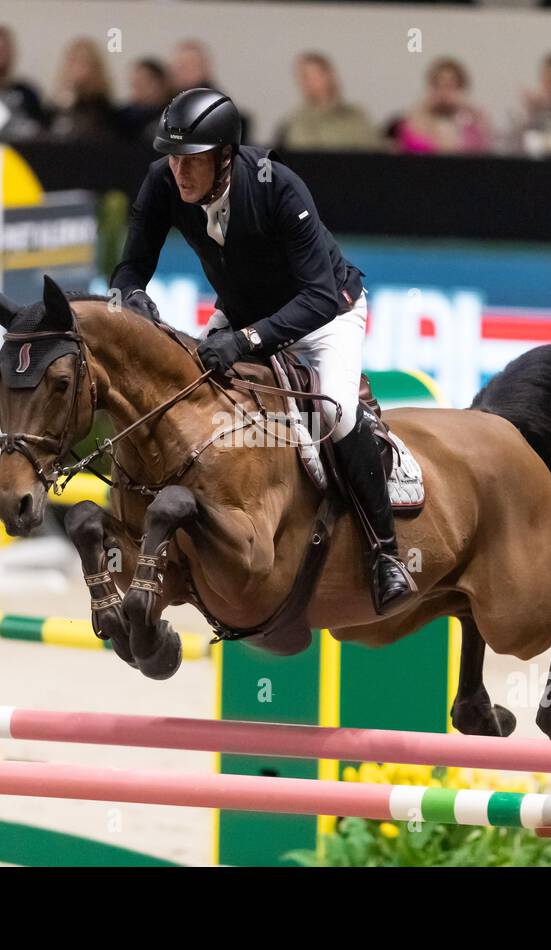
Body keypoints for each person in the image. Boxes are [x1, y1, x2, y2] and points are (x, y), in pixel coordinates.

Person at [110, 89, 415, 615]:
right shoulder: (163, 180)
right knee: (190, 399)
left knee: (335, 412)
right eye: (174, 158)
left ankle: (385, 554)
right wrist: (132, 297)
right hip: (245, 311)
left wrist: (246, 339)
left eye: (193, 161)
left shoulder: (279, 188)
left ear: (225, 156)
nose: (179, 172)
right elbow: (130, 266)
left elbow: (318, 295)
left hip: (326, 315)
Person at [277, 52, 380, 152]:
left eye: (313, 75)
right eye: (303, 77)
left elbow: (373, 151)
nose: (307, 83)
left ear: (329, 75)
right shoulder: (295, 121)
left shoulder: (356, 115)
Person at [394, 58, 489, 155]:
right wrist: (423, 108)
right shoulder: (418, 118)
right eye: (437, 85)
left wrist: (469, 108)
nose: (444, 92)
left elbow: (483, 147)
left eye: (450, 86)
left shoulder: (471, 123)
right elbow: (410, 144)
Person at [42, 37, 117, 143]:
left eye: (83, 62)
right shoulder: (55, 105)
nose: (77, 68)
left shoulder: (102, 107)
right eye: (73, 61)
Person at [115, 59, 170, 145]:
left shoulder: (174, 114)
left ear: (161, 83)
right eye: (136, 84)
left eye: (145, 82)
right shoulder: (122, 117)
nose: (140, 88)